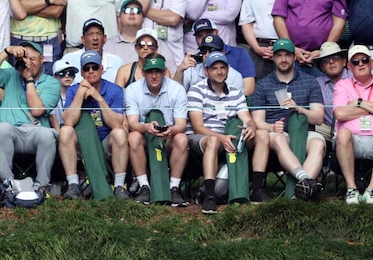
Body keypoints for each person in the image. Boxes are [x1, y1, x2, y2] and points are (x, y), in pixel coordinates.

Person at [249, 39, 326, 203]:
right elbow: (257, 122)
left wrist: (300, 109)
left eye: (287, 55)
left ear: (294, 57)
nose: (283, 60)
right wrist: (272, 126)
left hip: (305, 131)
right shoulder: (263, 85)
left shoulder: (309, 81)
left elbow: (318, 118)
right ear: (273, 58)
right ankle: (307, 182)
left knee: (318, 144)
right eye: (279, 56)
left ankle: (300, 194)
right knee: (278, 138)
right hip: (277, 133)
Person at [187, 51, 256, 214]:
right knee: (212, 141)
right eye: (214, 68)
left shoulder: (235, 92)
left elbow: (246, 117)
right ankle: (210, 196)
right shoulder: (196, 90)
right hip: (202, 137)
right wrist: (220, 137)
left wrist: (251, 126)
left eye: (222, 68)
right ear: (206, 71)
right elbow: (198, 127)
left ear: (228, 69)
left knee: (255, 136)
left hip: (229, 136)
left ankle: (253, 189)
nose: (219, 72)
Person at [0, 41, 57, 192]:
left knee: (47, 134)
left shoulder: (51, 83)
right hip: (11, 132)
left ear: (42, 59)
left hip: (35, 132)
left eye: (33, 59)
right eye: (25, 59)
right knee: (2, 128)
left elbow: (37, 111)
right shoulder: (11, 74)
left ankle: (41, 186)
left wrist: (29, 80)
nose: (28, 63)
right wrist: (6, 52)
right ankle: (7, 184)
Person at [60, 50, 129, 200]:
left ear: (101, 69)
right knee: (65, 131)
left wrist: (98, 98)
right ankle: (73, 185)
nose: (91, 71)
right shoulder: (73, 90)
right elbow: (69, 121)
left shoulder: (114, 90)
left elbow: (117, 123)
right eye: (86, 68)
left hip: (105, 141)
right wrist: (80, 94)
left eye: (94, 67)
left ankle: (119, 186)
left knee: (119, 133)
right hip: (82, 143)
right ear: (82, 72)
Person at [333, 44, 373, 205]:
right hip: (350, 141)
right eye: (355, 61)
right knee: (343, 133)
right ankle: (351, 189)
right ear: (349, 66)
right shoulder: (342, 85)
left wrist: (360, 103)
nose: (360, 64)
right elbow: (339, 113)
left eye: (364, 60)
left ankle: (371, 190)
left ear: (371, 63)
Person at [122, 54, 188, 204]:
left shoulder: (176, 89)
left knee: (182, 138)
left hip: (169, 137)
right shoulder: (133, 89)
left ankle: (174, 188)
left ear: (164, 72)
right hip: (145, 137)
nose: (153, 76)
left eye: (157, 71)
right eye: (150, 72)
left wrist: (170, 131)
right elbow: (132, 123)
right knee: (133, 137)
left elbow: (181, 124)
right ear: (143, 73)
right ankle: (144, 186)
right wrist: (146, 127)